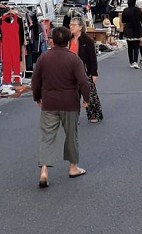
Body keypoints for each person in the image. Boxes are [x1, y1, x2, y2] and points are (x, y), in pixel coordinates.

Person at [32, 26, 91, 187]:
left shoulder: (44, 58)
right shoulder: (73, 59)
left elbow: (35, 80)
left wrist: (37, 97)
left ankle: (44, 170)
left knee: (47, 137)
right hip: (69, 103)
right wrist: (86, 99)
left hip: (49, 102)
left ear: (52, 40)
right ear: (68, 40)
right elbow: (84, 82)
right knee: (71, 136)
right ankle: (73, 167)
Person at [66, 17, 102, 123]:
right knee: (72, 95)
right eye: (70, 25)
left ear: (80, 27)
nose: (71, 27)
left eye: (74, 25)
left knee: (90, 93)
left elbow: (92, 58)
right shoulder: (68, 39)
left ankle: (93, 114)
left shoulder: (87, 40)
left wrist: (94, 73)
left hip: (84, 70)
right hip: (70, 71)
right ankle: (73, 116)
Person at [121, 0, 142, 69]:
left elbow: (123, 21)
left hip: (128, 30)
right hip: (137, 29)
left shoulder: (125, 10)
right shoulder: (138, 10)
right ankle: (135, 61)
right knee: (136, 46)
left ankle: (131, 62)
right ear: (135, 2)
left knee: (130, 47)